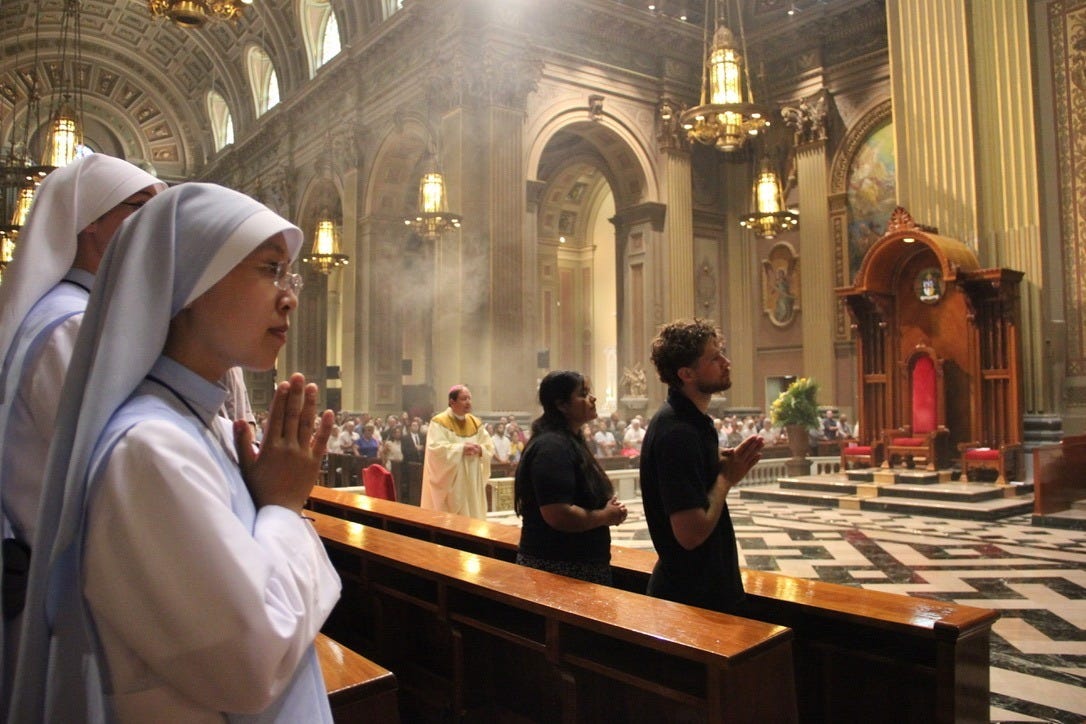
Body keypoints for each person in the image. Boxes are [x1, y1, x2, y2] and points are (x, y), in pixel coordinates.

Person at [9, 183, 341, 722]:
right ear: (186, 280)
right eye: (269, 269)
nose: (290, 297)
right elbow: (250, 665)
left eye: (290, 276)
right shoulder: (150, 448)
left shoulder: (198, 423)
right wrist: (282, 507)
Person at [0, 154, 164, 706]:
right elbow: (124, 476)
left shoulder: (81, 314)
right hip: (72, 597)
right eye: (140, 208)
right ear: (90, 221)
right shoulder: (72, 324)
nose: (155, 224)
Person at [640, 319, 764, 614]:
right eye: (714, 358)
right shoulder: (678, 432)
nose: (726, 362)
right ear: (687, 374)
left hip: (701, 589)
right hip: (693, 599)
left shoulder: (689, 423)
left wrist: (712, 464)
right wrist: (725, 478)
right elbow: (691, 534)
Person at [514, 371, 627, 584]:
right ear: (562, 404)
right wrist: (605, 515)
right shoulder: (552, 447)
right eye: (583, 394)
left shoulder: (568, 439)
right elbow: (558, 514)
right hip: (559, 568)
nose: (592, 398)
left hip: (576, 563)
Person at [420, 385, 494, 518]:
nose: (468, 402)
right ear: (452, 402)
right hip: (453, 480)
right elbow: (435, 449)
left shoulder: (475, 422)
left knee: (474, 516)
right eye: (464, 399)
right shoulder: (439, 422)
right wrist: (461, 449)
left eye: (469, 398)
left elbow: (488, 446)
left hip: (473, 478)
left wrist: (481, 450)